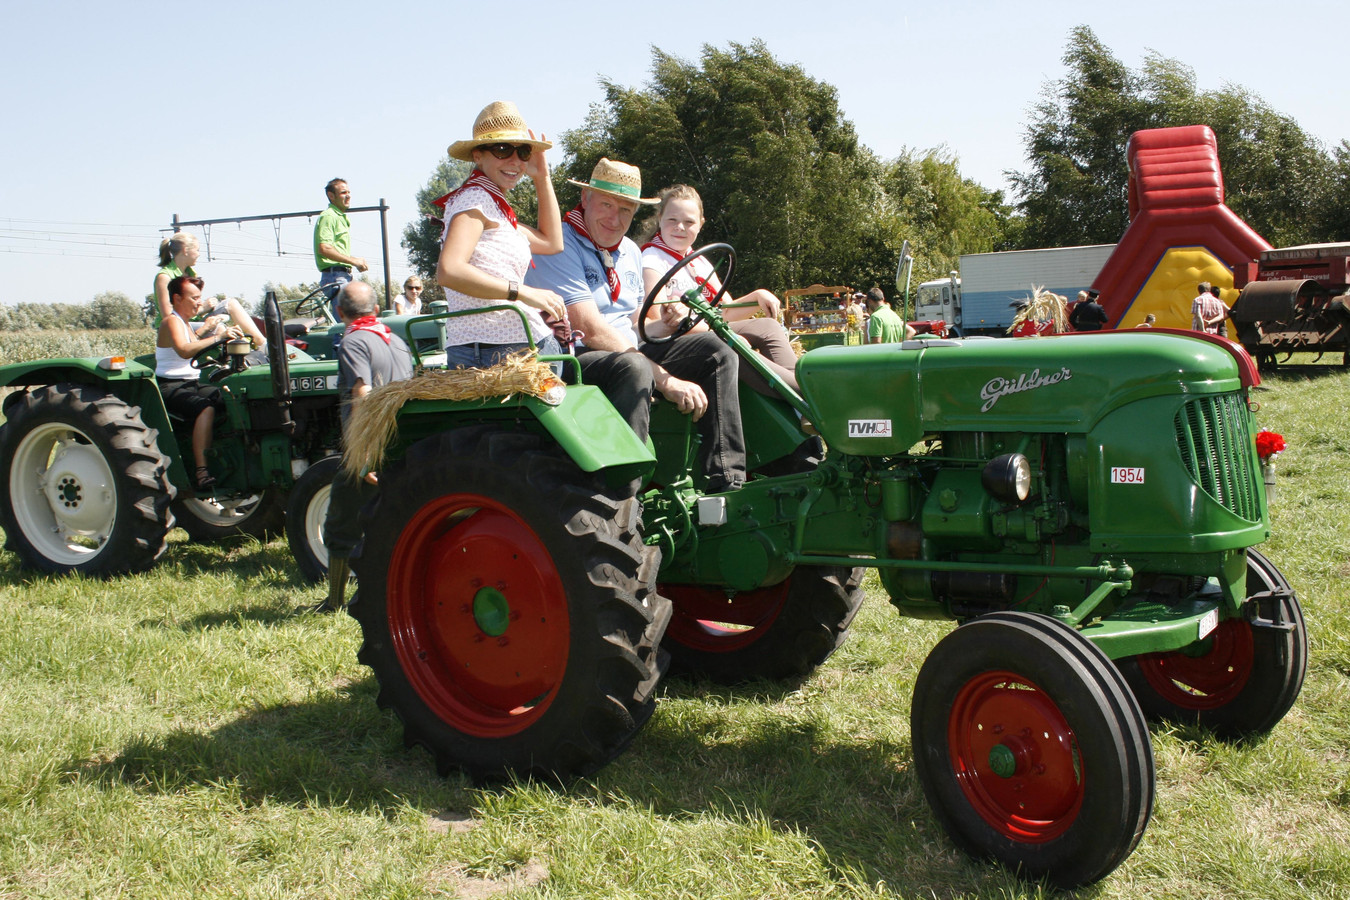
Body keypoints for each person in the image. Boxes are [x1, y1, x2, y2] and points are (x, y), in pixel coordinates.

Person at [526, 158, 746, 493]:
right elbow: (592, 329)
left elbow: (636, 324)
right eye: (606, 205)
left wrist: (668, 326)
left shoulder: (629, 251)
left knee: (716, 352)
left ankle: (725, 479)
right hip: (574, 355)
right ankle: (625, 495)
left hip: (627, 349)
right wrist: (666, 379)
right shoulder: (560, 243)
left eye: (626, 210)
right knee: (633, 369)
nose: (615, 219)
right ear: (585, 199)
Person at [434, 101, 566, 368]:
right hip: (500, 352)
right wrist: (523, 292)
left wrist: (542, 178)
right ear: (477, 155)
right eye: (503, 149)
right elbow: (449, 270)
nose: (515, 161)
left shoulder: (495, 209)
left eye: (523, 151)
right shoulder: (475, 200)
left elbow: (552, 242)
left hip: (501, 348)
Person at [639, 183, 798, 395]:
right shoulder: (652, 259)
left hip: (707, 331)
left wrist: (758, 295)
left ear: (701, 224)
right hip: (675, 343)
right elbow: (659, 318)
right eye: (672, 220)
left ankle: (798, 396)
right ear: (660, 218)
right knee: (730, 344)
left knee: (767, 327)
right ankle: (808, 395)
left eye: (689, 222)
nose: (680, 227)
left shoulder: (698, 261)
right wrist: (723, 334)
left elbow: (725, 312)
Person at [314, 280, 414, 613]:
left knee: (340, 523)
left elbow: (362, 392)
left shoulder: (353, 341)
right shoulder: (396, 341)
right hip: (401, 443)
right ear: (375, 310)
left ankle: (334, 601)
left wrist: (364, 454)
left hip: (371, 447)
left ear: (339, 311)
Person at [155, 275, 244, 491]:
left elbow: (192, 341)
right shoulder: (171, 321)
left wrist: (208, 330)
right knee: (205, 408)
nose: (199, 302)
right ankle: (201, 470)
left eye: (199, 297)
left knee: (233, 399)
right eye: (194, 298)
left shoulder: (184, 324)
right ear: (177, 298)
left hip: (190, 383)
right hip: (170, 386)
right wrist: (218, 337)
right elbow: (184, 350)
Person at [151, 233, 267, 349]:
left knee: (231, 303)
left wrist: (205, 306)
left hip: (191, 321)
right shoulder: (165, 277)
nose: (199, 254)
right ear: (186, 250)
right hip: (177, 328)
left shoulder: (191, 274)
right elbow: (169, 316)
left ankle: (263, 344)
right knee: (219, 328)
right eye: (197, 250)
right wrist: (202, 309)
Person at [314, 177, 369, 313]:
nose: (348, 196)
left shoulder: (339, 217)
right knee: (346, 324)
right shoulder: (329, 216)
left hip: (342, 275)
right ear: (331, 196)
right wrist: (354, 261)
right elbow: (324, 248)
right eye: (343, 193)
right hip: (335, 276)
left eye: (349, 192)